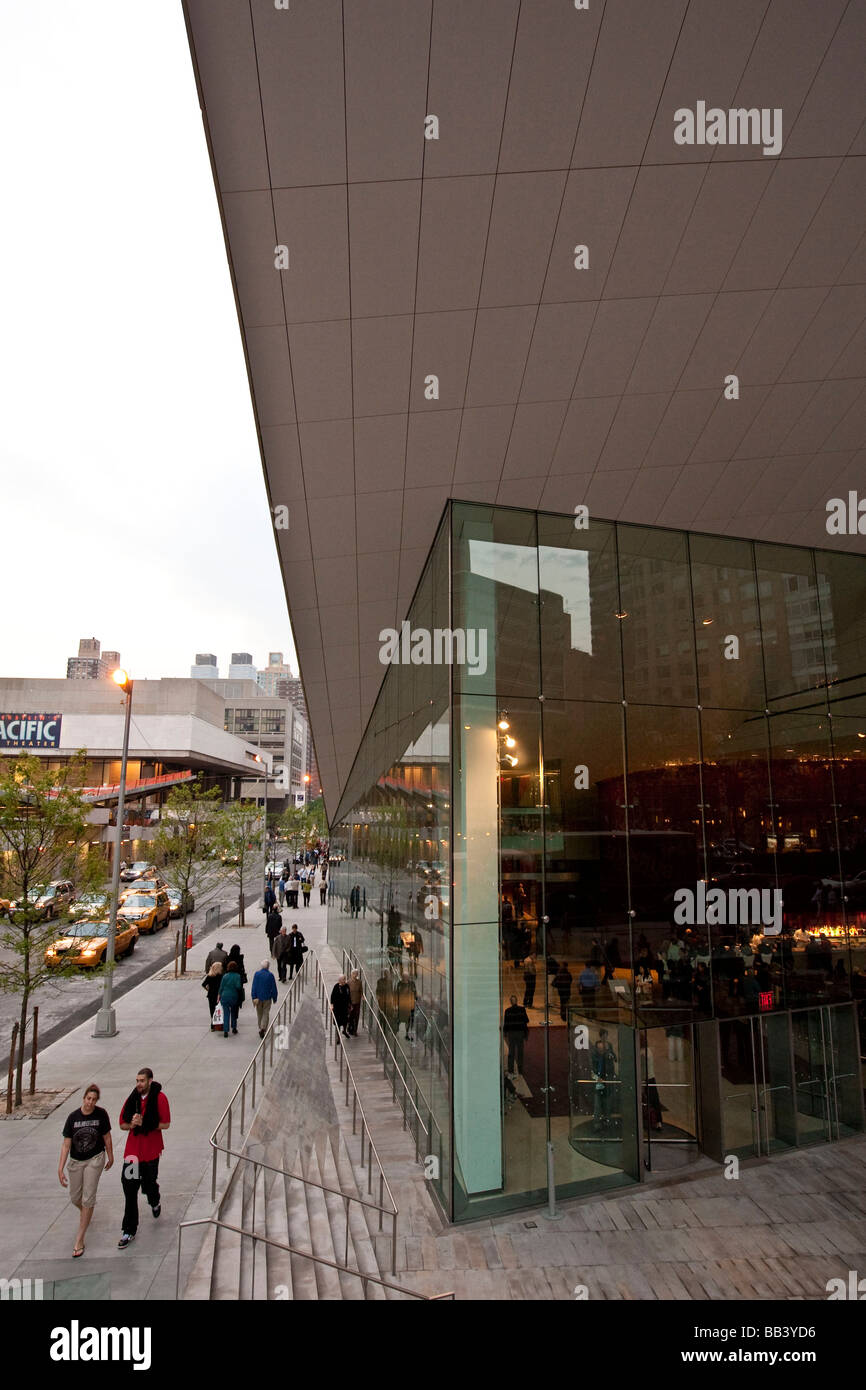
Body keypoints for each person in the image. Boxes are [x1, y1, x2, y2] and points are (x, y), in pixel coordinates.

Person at [117, 1068, 170, 1249]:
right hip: (132, 1154)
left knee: (149, 1184)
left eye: (142, 1080)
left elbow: (166, 1123)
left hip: (151, 1152)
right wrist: (132, 1124)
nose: (139, 1084)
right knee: (129, 1189)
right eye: (137, 1080)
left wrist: (146, 1123)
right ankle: (129, 1230)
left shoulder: (160, 1098)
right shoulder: (132, 1099)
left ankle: (154, 1200)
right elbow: (122, 1124)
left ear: (150, 1081)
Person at [59, 1084, 114, 1258]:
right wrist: (60, 1168)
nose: (90, 1102)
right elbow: (66, 1144)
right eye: (88, 1099)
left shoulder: (101, 1114)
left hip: (95, 1159)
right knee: (76, 1197)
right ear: (83, 1098)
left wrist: (111, 1156)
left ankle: (79, 1240)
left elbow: (107, 1136)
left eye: (94, 1100)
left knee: (88, 1197)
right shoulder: (73, 1117)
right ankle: (87, 1212)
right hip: (76, 1161)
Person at [592, 1036, 617, 1132]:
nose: (600, 1050)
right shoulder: (595, 1058)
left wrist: (609, 1051)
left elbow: (615, 1060)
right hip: (598, 1085)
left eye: (602, 1048)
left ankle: (607, 1122)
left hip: (607, 1085)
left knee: (607, 1105)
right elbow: (592, 1071)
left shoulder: (608, 1057)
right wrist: (597, 1079)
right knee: (598, 1105)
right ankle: (597, 1124)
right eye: (599, 1048)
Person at [503, 995, 529, 1077]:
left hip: (512, 1034)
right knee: (520, 1052)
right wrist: (525, 1033)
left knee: (511, 1052)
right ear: (517, 1001)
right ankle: (520, 1070)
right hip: (520, 1033)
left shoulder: (507, 1011)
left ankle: (510, 1070)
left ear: (511, 1002)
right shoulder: (522, 1009)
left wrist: (505, 1032)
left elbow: (506, 1024)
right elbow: (526, 1021)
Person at [252, 959, 278, 1038]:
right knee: (266, 1013)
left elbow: (254, 986)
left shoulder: (256, 974)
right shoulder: (270, 975)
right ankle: (263, 1027)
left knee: (259, 1013)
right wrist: (275, 997)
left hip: (258, 998)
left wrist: (253, 996)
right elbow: (273, 987)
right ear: (268, 967)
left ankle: (260, 1027)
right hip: (267, 997)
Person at [219, 961, 244, 1037]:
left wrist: (219, 994)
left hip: (225, 996)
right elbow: (238, 986)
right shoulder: (237, 976)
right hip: (233, 996)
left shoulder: (225, 976)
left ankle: (226, 1030)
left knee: (226, 1013)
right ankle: (234, 1027)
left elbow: (221, 987)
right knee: (233, 1012)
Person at [347, 969, 362, 1036]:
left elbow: (361, 991)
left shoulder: (359, 982)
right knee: (350, 1016)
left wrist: (362, 996)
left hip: (357, 1002)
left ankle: (355, 1030)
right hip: (350, 1002)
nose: (355, 975)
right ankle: (350, 1028)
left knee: (356, 1016)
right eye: (354, 974)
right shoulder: (348, 982)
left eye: (356, 974)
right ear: (351, 974)